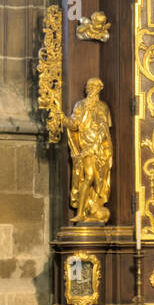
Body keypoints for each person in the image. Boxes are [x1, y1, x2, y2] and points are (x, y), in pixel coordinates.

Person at [62, 78, 113, 223]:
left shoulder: (103, 107)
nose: (92, 89)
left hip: (100, 149)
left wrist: (100, 143)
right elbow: (74, 124)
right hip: (87, 148)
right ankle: (80, 212)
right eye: (90, 87)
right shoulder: (81, 105)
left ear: (99, 89)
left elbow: (105, 129)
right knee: (89, 176)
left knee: (99, 182)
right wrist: (63, 119)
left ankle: (93, 207)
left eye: (95, 87)